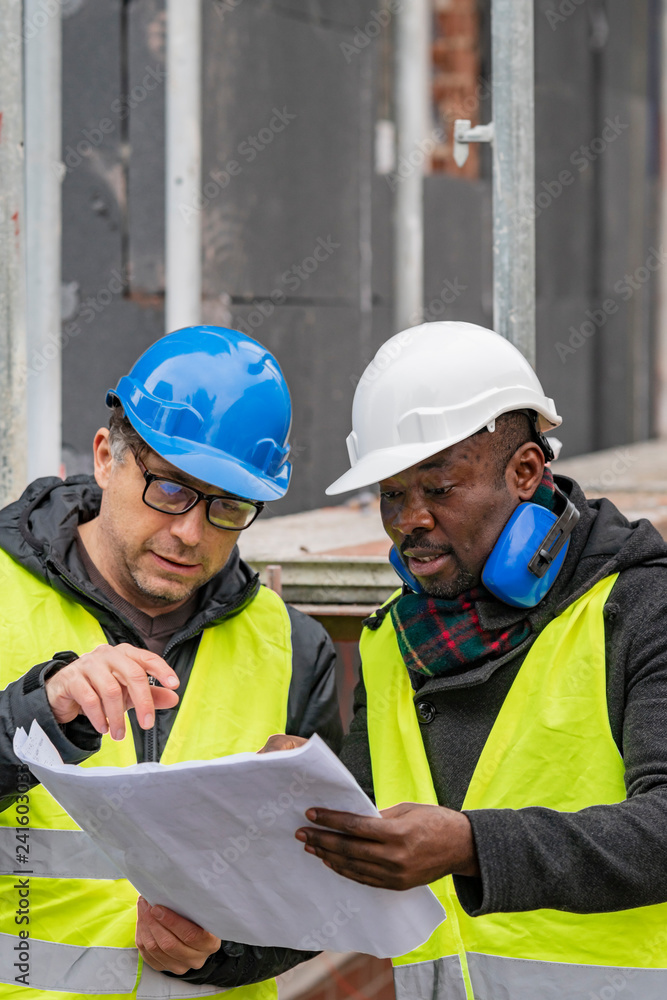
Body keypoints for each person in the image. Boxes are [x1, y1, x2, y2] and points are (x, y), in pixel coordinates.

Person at [272, 321, 667, 1000]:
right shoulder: (394, 641)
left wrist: (471, 846)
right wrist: (301, 799)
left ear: (523, 473)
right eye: (392, 494)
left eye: (439, 488)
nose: (408, 520)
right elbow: (371, 850)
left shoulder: (638, 606)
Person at [0, 326, 341, 1000]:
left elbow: (326, 893)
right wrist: (42, 713)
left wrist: (222, 952)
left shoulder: (294, 649)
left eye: (227, 506)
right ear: (105, 457)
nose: (190, 532)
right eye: (171, 489)